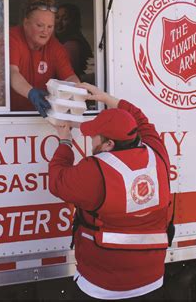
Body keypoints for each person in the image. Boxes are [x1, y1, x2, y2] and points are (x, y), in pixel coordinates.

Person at [48, 83, 173, 301]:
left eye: (96, 136)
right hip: (152, 281)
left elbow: (57, 182)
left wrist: (65, 142)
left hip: (102, 287)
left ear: (108, 145)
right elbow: (141, 120)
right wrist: (106, 98)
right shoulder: (158, 154)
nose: (91, 139)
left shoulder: (95, 171)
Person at [10, 0, 79, 115]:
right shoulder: (12, 38)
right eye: (40, 25)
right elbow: (12, 73)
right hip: (10, 117)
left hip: (43, 116)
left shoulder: (55, 46)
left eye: (50, 26)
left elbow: (70, 78)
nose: (45, 32)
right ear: (26, 23)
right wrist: (30, 92)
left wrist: (78, 93)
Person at [55, 4, 93, 81]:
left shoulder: (72, 44)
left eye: (65, 19)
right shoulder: (60, 41)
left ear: (73, 22)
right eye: (57, 17)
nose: (59, 22)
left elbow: (65, 76)